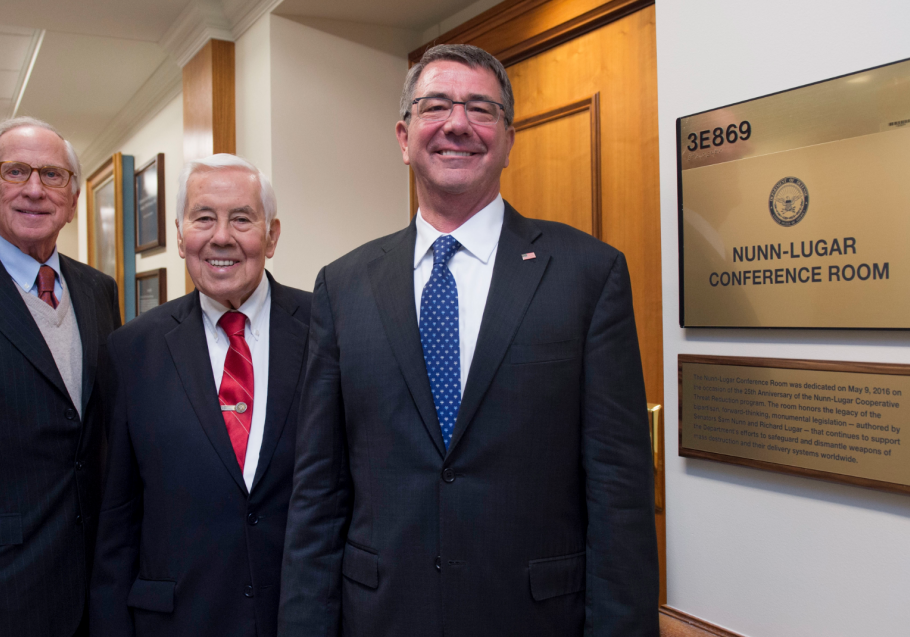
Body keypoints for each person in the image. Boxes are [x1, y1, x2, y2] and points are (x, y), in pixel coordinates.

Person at [278, 44, 659, 636]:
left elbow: (619, 491)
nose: (457, 124)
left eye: (481, 109)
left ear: (508, 140)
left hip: (533, 620)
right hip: (383, 618)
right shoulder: (343, 287)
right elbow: (319, 493)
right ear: (404, 138)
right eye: (435, 106)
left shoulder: (588, 274)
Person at [90, 154, 311, 636]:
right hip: (177, 620)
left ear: (272, 236)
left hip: (298, 616)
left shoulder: (325, 331)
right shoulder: (132, 350)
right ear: (179, 235)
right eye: (204, 218)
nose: (221, 237)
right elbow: (118, 519)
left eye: (242, 219)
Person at [0, 117, 121, 637]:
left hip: (96, 589)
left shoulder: (99, 291)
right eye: (16, 171)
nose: (35, 189)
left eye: (52, 175)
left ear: (72, 201)